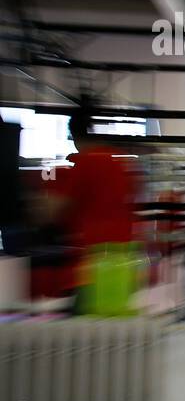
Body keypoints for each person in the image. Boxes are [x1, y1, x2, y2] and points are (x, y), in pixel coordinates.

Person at [40, 107, 141, 311]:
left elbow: (60, 208)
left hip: (95, 255)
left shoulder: (85, 162)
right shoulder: (119, 159)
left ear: (74, 136)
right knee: (115, 314)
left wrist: (41, 203)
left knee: (89, 317)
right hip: (125, 252)